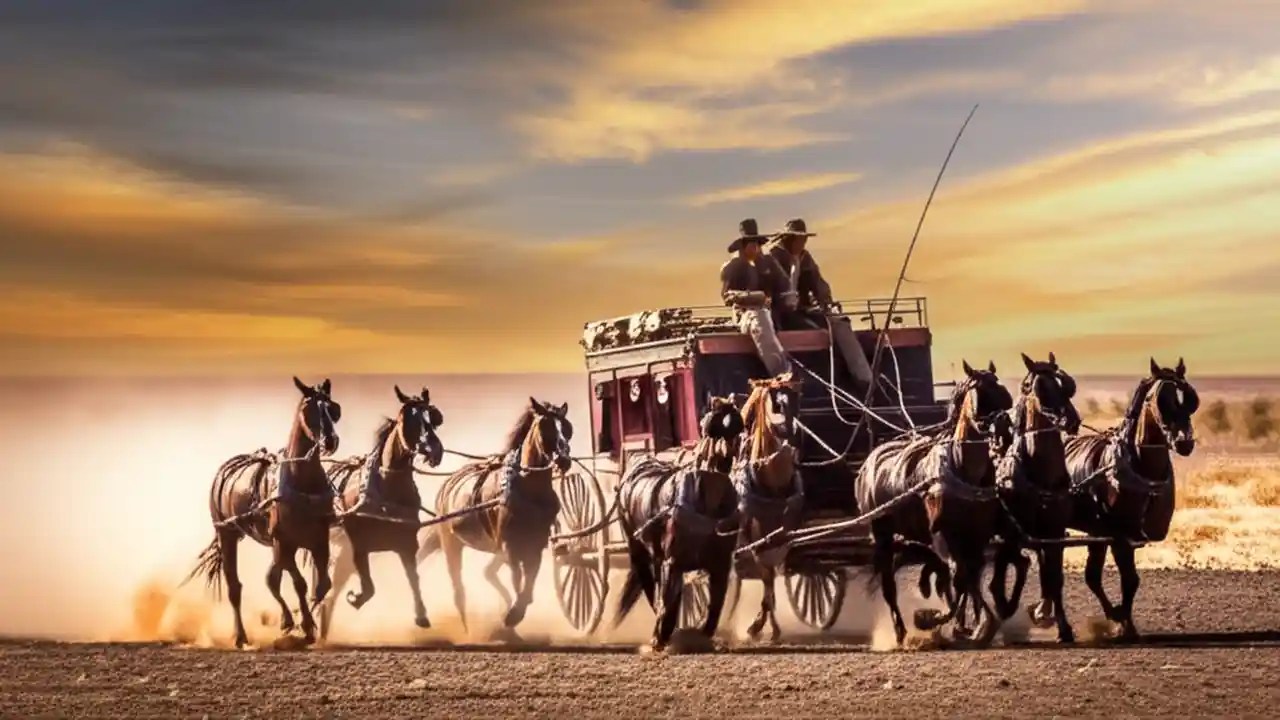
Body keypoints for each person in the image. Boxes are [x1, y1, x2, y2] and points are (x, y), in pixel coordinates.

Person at [767, 218, 874, 394]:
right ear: (788, 239)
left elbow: (818, 283)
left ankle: (864, 380)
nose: (802, 243)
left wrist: (825, 301)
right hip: (779, 315)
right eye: (799, 239)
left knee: (839, 323)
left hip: (801, 311)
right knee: (818, 329)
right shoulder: (773, 257)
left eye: (804, 239)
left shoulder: (804, 258)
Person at [720, 218, 790, 377]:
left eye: (757, 244)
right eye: (751, 244)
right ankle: (781, 372)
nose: (755, 248)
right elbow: (727, 297)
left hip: (772, 313)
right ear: (743, 247)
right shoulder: (733, 267)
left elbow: (784, 285)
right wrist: (749, 297)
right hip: (745, 314)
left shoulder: (768, 263)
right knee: (758, 318)